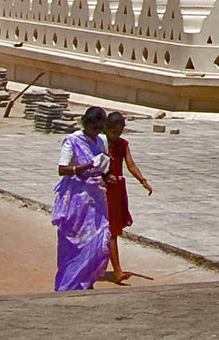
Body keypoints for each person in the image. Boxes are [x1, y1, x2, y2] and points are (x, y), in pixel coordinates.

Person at [53, 107, 111, 291]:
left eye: (99, 129)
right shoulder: (72, 141)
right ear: (85, 124)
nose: (96, 132)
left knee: (100, 243)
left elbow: (104, 165)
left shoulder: (101, 140)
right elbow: (62, 169)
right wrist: (84, 167)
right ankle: (69, 285)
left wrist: (107, 176)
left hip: (96, 198)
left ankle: (87, 280)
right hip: (76, 200)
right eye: (93, 128)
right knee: (76, 243)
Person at [102, 110, 153, 283]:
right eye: (113, 132)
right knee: (109, 231)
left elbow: (130, 164)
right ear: (106, 128)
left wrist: (142, 180)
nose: (116, 136)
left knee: (113, 231)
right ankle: (116, 270)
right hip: (101, 189)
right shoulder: (100, 143)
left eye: (119, 132)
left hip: (116, 190)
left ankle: (115, 269)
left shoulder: (122, 145)